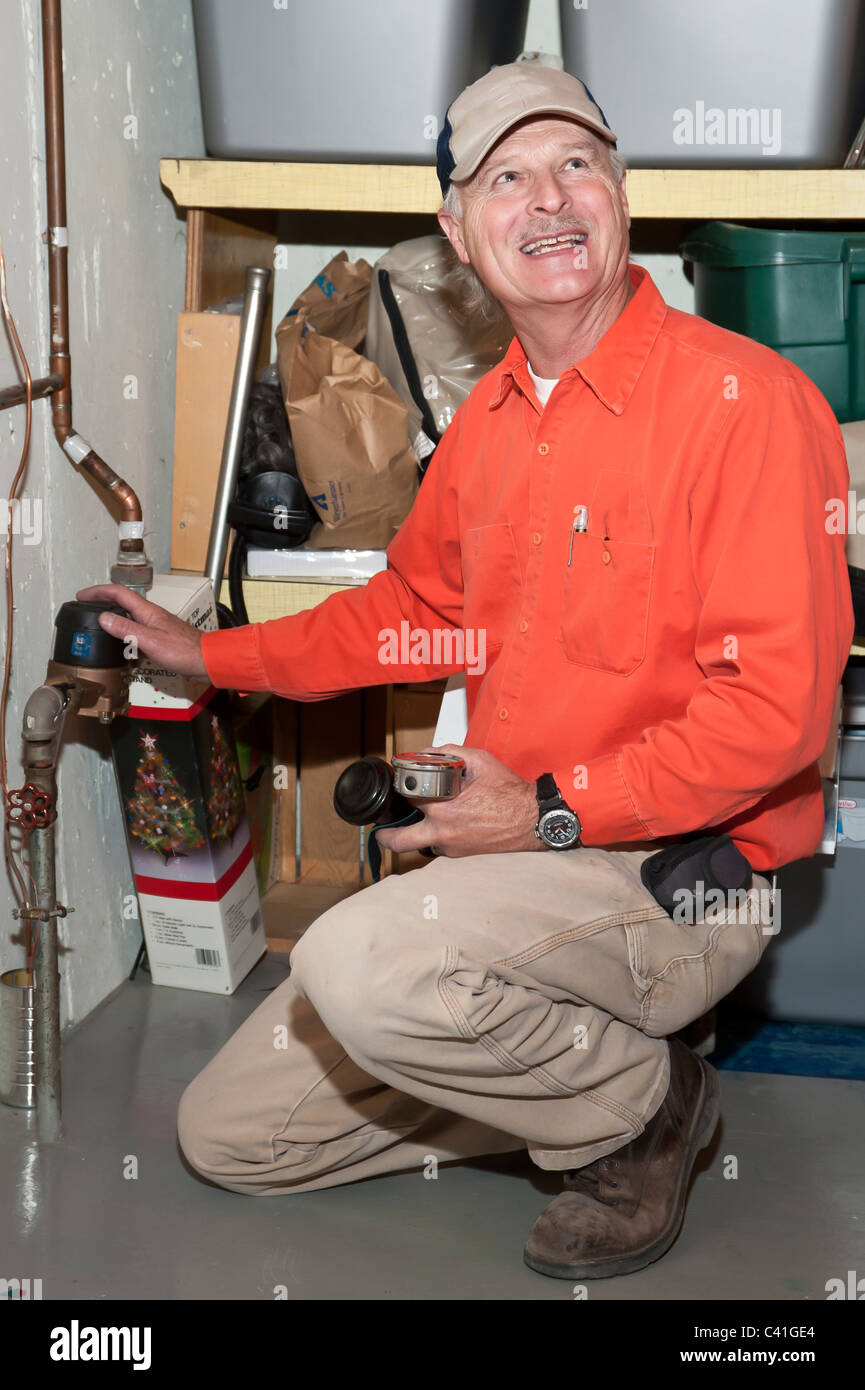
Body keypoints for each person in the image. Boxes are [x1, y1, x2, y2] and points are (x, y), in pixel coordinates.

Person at [79, 61, 854, 1281]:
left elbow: (777, 720)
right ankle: (568, 1069)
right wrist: (208, 655)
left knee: (357, 959)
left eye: (573, 166)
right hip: (526, 859)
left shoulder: (746, 404)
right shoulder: (489, 423)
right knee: (229, 1137)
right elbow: (405, 614)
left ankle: (643, 1108)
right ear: (456, 230)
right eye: (504, 178)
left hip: (687, 871)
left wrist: (544, 808)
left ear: (621, 192)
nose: (546, 201)